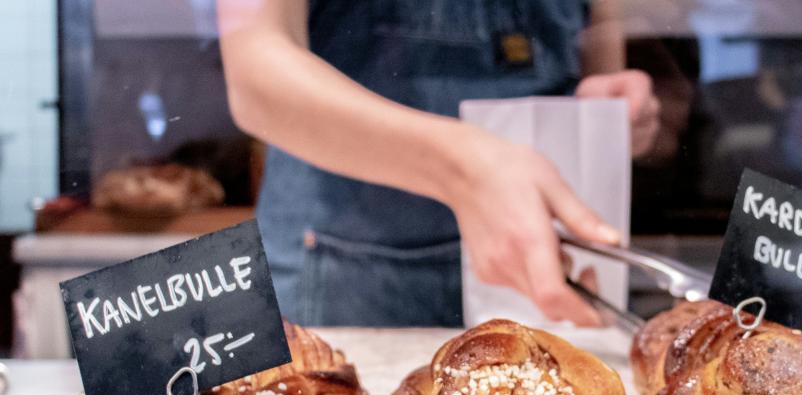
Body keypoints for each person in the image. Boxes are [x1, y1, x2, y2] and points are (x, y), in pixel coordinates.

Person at [217, 0, 660, 327]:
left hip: (543, 261)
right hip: (343, 270)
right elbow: (255, 75)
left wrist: (611, 115)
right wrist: (461, 170)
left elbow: (598, 50)